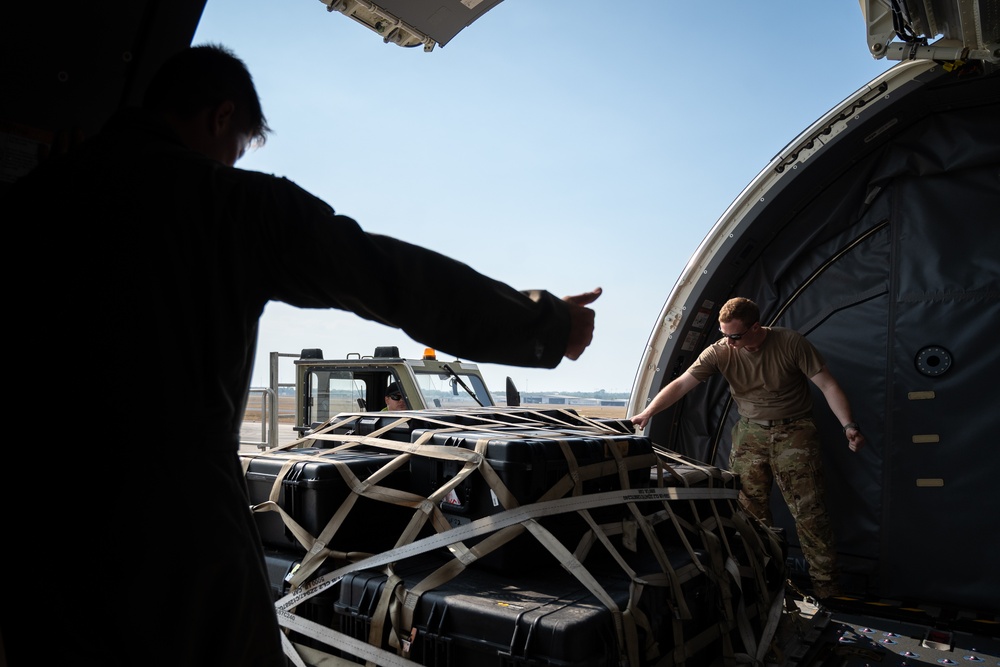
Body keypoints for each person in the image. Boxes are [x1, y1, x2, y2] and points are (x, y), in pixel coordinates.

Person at [1, 44, 601, 666]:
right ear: (220, 116)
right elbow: (390, 276)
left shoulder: (32, 200)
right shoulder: (226, 203)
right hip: (175, 542)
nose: (232, 160)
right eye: (236, 144)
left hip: (35, 536)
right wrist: (545, 324)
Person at [630, 297, 865, 601]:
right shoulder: (720, 351)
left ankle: (827, 590)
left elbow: (828, 385)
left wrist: (848, 425)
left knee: (809, 512)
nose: (728, 341)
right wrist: (649, 412)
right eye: (723, 334)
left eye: (735, 336)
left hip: (794, 433)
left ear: (756, 327)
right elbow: (682, 383)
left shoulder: (790, 344)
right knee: (748, 512)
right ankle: (763, 584)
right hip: (750, 435)